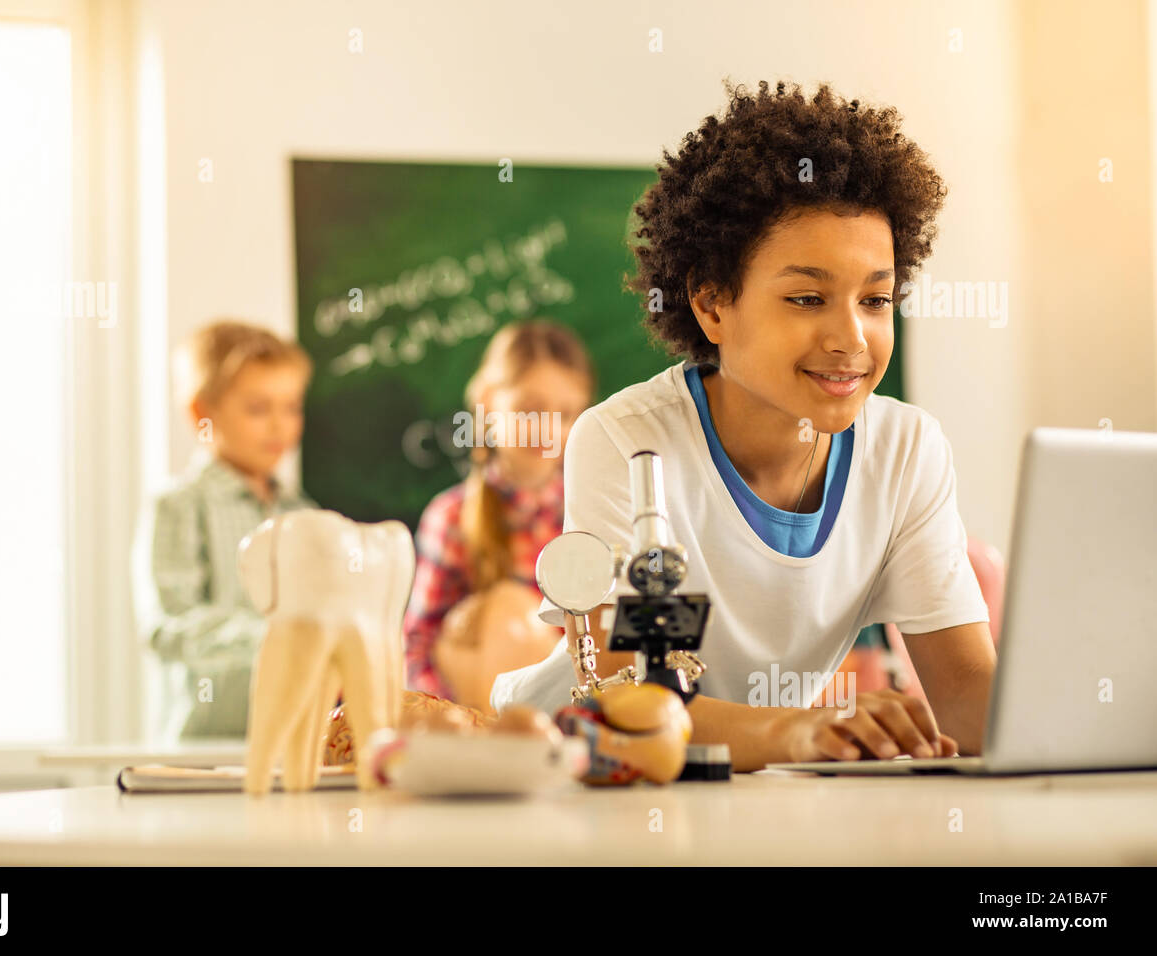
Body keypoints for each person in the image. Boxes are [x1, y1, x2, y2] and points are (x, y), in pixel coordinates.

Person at [491, 79, 998, 771]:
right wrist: (800, 732)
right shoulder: (629, 442)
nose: (851, 337)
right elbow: (633, 701)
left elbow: (967, 696)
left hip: (762, 784)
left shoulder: (907, 451)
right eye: (808, 297)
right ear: (711, 305)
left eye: (876, 299)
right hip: (570, 775)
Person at [133, 320, 316, 739]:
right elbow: (166, 625)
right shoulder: (178, 507)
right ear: (203, 414)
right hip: (203, 748)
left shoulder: (304, 514)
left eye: (291, 407)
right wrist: (277, 638)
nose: (279, 426)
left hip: (296, 741)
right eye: (257, 409)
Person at [402, 319, 594, 711]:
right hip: (475, 722)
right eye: (530, 409)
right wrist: (453, 718)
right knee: (508, 609)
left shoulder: (592, 515)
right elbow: (418, 643)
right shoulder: (451, 517)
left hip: (569, 721)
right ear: (489, 403)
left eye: (566, 413)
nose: (548, 430)